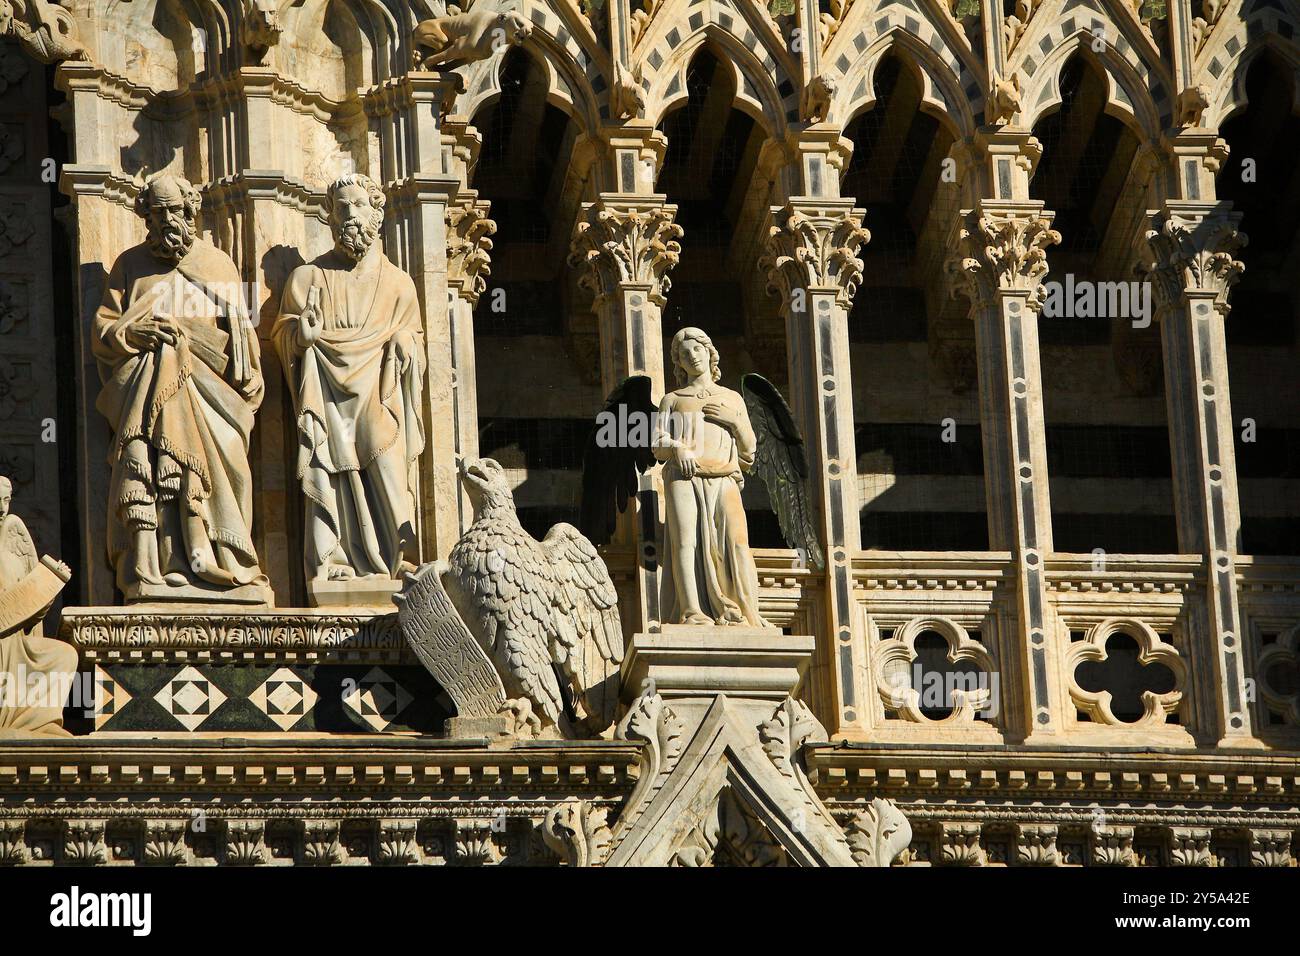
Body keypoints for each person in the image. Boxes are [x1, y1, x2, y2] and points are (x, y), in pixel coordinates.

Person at [93, 173, 267, 600]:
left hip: (210, 394)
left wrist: (202, 344)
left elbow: (243, 342)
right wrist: (134, 334)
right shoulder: (129, 266)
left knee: (225, 460)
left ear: (190, 211)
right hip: (147, 391)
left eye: (174, 210)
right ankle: (158, 563)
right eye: (157, 212)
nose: (167, 220)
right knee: (149, 464)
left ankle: (216, 556)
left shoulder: (218, 265)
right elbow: (103, 331)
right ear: (146, 217)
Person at [274, 174, 425, 595]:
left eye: (358, 205)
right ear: (330, 217)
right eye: (341, 208)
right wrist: (301, 336)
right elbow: (284, 335)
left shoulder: (399, 284)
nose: (350, 215)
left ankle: (399, 558)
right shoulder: (307, 278)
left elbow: (415, 339)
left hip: (379, 391)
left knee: (386, 459)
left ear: (377, 213)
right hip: (327, 396)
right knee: (329, 466)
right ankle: (335, 560)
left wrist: (405, 342)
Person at [652, 327, 767, 627]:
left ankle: (746, 612)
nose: (692, 356)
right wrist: (677, 447)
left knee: (737, 543)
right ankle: (692, 612)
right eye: (684, 354)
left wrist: (735, 422)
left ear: (709, 352)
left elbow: (750, 451)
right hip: (683, 477)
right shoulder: (672, 399)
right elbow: (657, 443)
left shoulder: (731, 398)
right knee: (685, 542)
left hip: (725, 477)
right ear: (679, 363)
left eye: (697, 349)